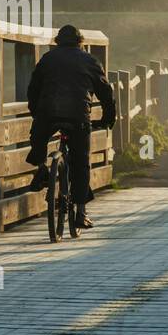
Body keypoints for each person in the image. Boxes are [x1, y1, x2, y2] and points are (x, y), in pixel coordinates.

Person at [24, 24, 116, 229]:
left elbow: (33, 89)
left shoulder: (48, 59)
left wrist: (35, 113)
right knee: (81, 161)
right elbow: (105, 93)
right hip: (78, 116)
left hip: (47, 113)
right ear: (80, 42)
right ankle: (81, 213)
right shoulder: (90, 60)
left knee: (38, 136)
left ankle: (41, 169)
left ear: (57, 42)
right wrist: (109, 117)